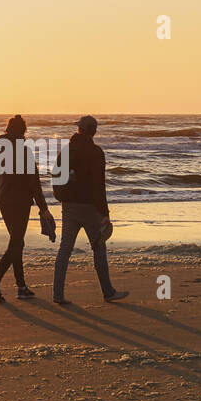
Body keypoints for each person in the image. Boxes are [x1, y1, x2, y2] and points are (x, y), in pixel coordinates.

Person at [52, 115, 127, 304]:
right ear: (93, 131)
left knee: (65, 249)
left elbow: (56, 177)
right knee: (99, 247)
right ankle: (108, 292)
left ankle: (58, 294)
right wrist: (105, 213)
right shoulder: (95, 152)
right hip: (89, 207)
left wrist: (61, 197)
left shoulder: (67, 151)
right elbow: (99, 186)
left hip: (68, 206)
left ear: (80, 130)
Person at [0, 115, 52, 302]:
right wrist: (43, 207)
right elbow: (34, 183)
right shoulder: (24, 152)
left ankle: (21, 287)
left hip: (5, 202)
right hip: (20, 203)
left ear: (7, 130)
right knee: (16, 242)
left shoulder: (0, 151)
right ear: (23, 132)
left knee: (17, 242)